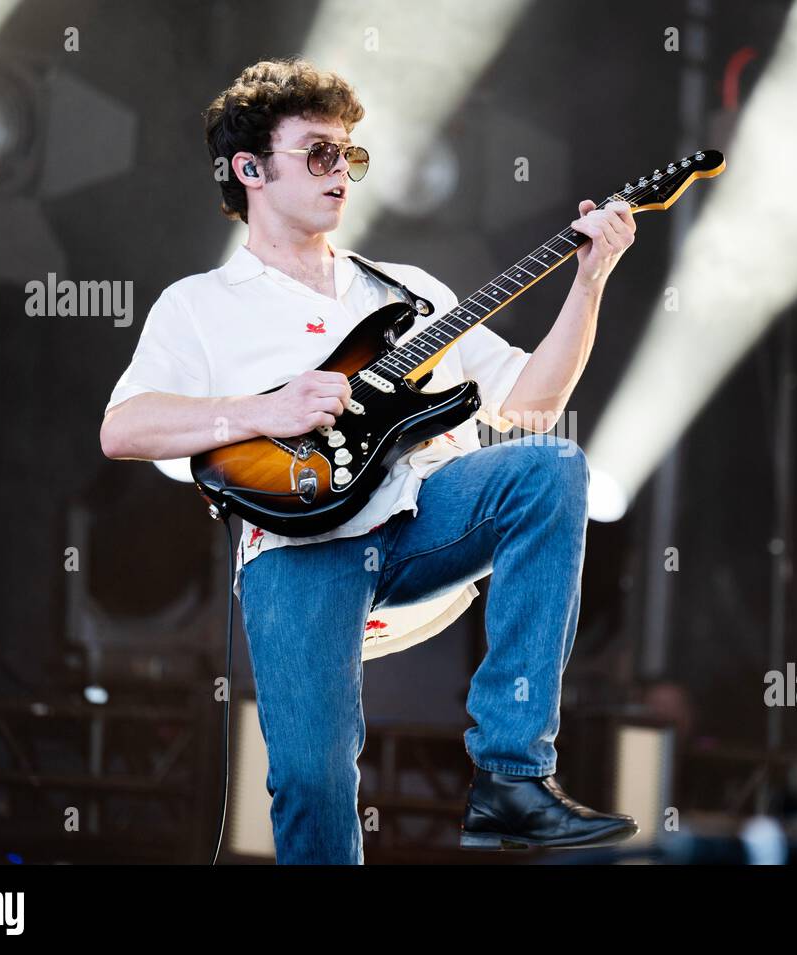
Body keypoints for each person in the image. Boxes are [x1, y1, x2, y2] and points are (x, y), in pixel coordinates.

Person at [100, 57, 638, 863]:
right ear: (250, 169)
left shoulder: (408, 292)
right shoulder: (200, 305)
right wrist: (264, 410)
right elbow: (123, 428)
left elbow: (526, 407)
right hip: (295, 547)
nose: (340, 172)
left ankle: (512, 778)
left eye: (348, 155)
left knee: (551, 465)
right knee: (312, 783)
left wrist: (589, 282)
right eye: (317, 153)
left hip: (419, 518)